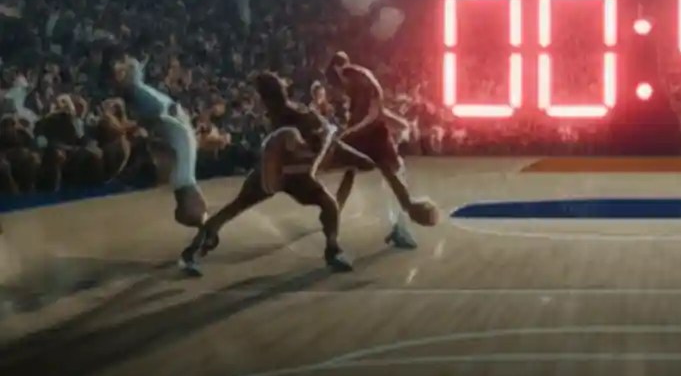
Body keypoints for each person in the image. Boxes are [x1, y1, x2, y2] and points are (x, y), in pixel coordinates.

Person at [179, 72, 374, 276]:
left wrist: (335, 148)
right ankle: (333, 250)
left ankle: (192, 252)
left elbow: (320, 135)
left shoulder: (284, 113)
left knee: (235, 207)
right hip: (289, 172)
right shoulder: (286, 112)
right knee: (328, 205)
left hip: (282, 170)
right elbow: (321, 135)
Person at [326, 52, 438, 249]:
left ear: (337, 69)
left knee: (379, 173)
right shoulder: (358, 81)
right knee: (387, 174)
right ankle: (403, 219)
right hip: (371, 133)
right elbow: (377, 111)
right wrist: (399, 122)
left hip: (372, 134)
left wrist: (349, 132)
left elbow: (374, 113)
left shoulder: (355, 79)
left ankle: (401, 221)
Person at [110, 55, 206, 228]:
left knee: (183, 180)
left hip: (172, 122)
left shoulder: (182, 176)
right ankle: (201, 220)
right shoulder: (183, 176)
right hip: (172, 121)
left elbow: (159, 116)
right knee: (184, 179)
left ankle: (200, 218)